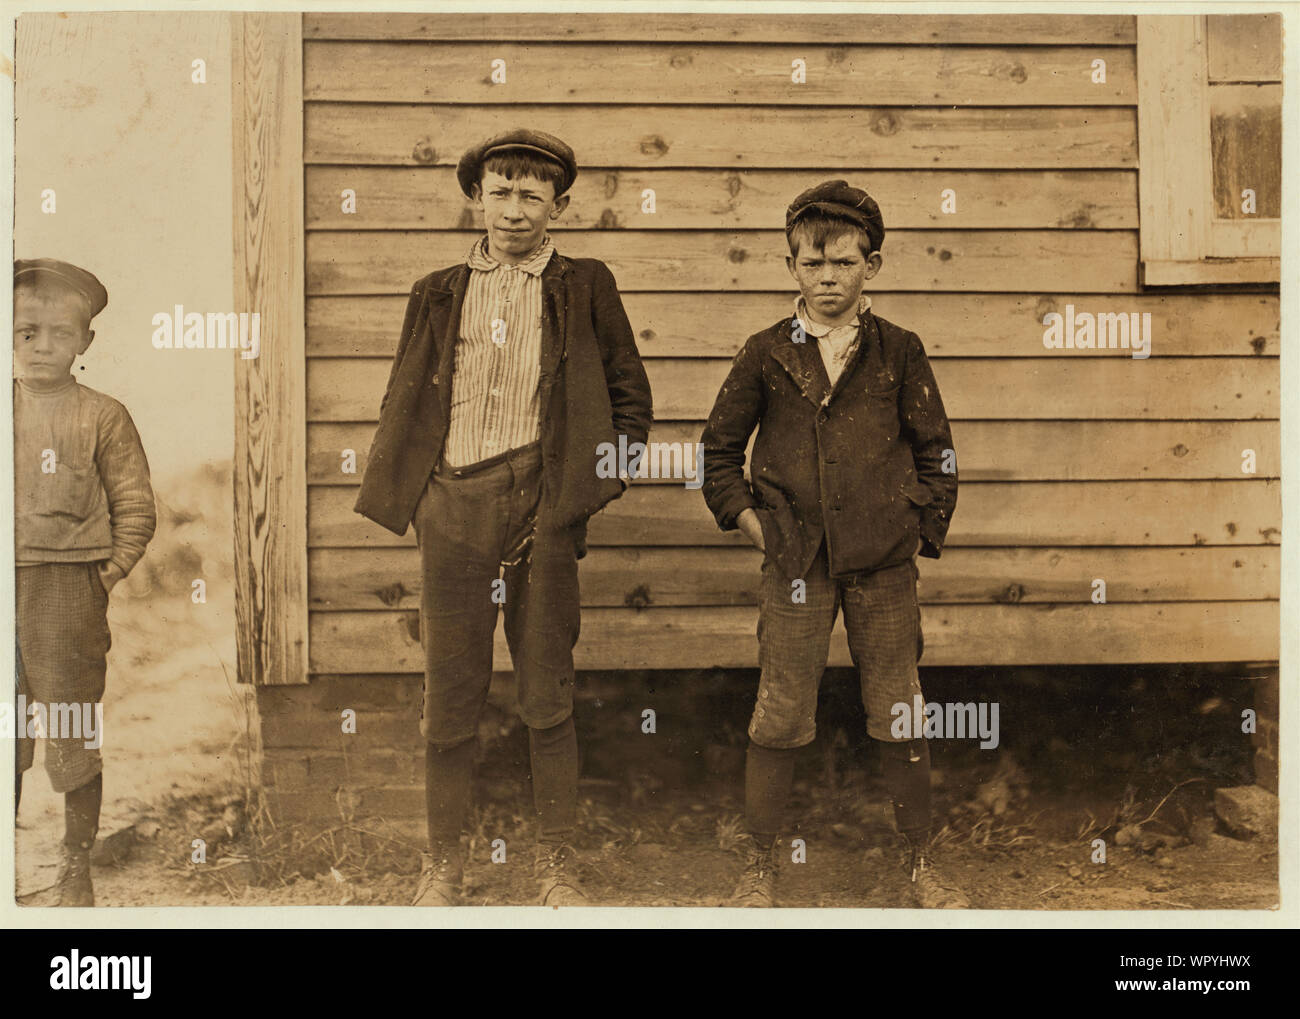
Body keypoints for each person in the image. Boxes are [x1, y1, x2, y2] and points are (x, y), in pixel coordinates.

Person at [355, 129, 653, 906]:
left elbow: (631, 401)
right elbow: (402, 395)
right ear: (473, 198)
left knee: (546, 692)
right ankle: (443, 863)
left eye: (531, 194)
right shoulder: (438, 289)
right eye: (499, 191)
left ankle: (556, 865)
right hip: (451, 503)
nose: (514, 209)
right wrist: (423, 495)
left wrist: (586, 494)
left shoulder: (586, 284)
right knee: (448, 696)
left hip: (542, 508)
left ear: (559, 203)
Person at [699, 181, 966, 908]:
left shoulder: (899, 352)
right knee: (781, 712)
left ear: (870, 266)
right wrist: (759, 529)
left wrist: (916, 532)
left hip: (882, 565)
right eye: (811, 264)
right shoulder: (764, 354)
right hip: (795, 565)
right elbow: (717, 456)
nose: (827, 278)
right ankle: (758, 864)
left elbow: (937, 452)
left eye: (843, 263)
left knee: (900, 710)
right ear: (792, 268)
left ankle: (920, 863)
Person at [13, 258, 157, 906]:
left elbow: (135, 504)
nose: (43, 346)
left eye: (59, 334)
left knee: (71, 726)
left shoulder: (103, 414)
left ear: (85, 343)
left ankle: (76, 865)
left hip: (68, 591)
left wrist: (109, 572)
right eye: (26, 331)